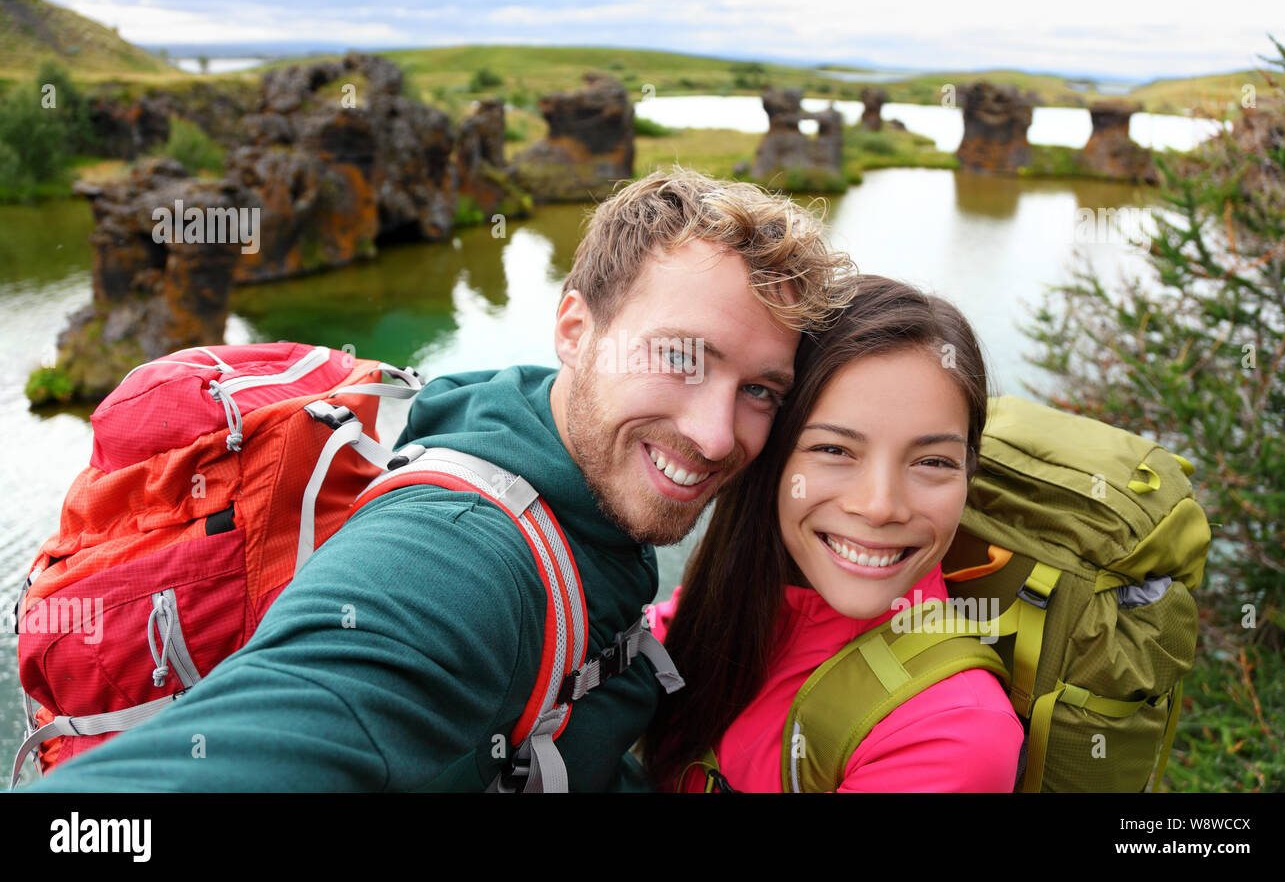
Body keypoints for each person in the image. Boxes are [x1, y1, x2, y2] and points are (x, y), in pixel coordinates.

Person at [20, 168, 856, 792]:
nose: (716, 434)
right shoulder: (459, 564)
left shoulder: (535, 442)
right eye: (680, 356)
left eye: (759, 391)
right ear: (575, 329)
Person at [641, 274, 1024, 792]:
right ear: (770, 459)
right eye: (834, 450)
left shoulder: (952, 733)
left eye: (933, 461)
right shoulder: (724, 604)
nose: (879, 506)